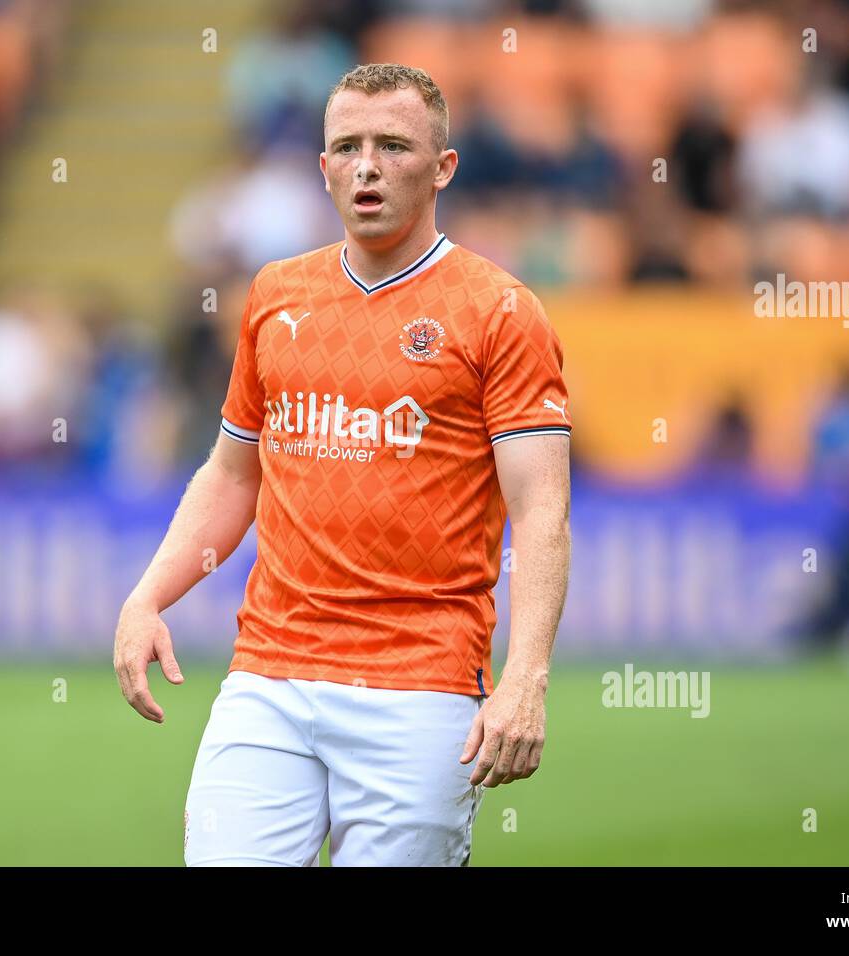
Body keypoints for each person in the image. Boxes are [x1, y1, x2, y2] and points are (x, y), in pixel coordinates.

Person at [114, 63, 572, 866]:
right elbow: (232, 474)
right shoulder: (275, 295)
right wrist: (150, 595)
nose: (367, 165)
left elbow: (541, 509)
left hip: (420, 687)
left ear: (443, 167)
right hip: (269, 677)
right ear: (323, 168)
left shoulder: (499, 312)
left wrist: (525, 678)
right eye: (347, 146)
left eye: (394, 145)